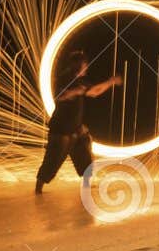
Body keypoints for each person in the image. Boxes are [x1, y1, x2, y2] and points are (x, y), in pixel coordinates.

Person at [36, 49, 123, 193]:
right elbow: (60, 96)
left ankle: (87, 185)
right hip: (61, 130)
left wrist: (111, 82)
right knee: (52, 162)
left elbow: (94, 91)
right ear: (77, 65)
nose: (86, 67)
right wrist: (74, 92)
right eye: (84, 64)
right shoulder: (64, 79)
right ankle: (38, 189)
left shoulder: (80, 81)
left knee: (86, 160)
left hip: (76, 129)